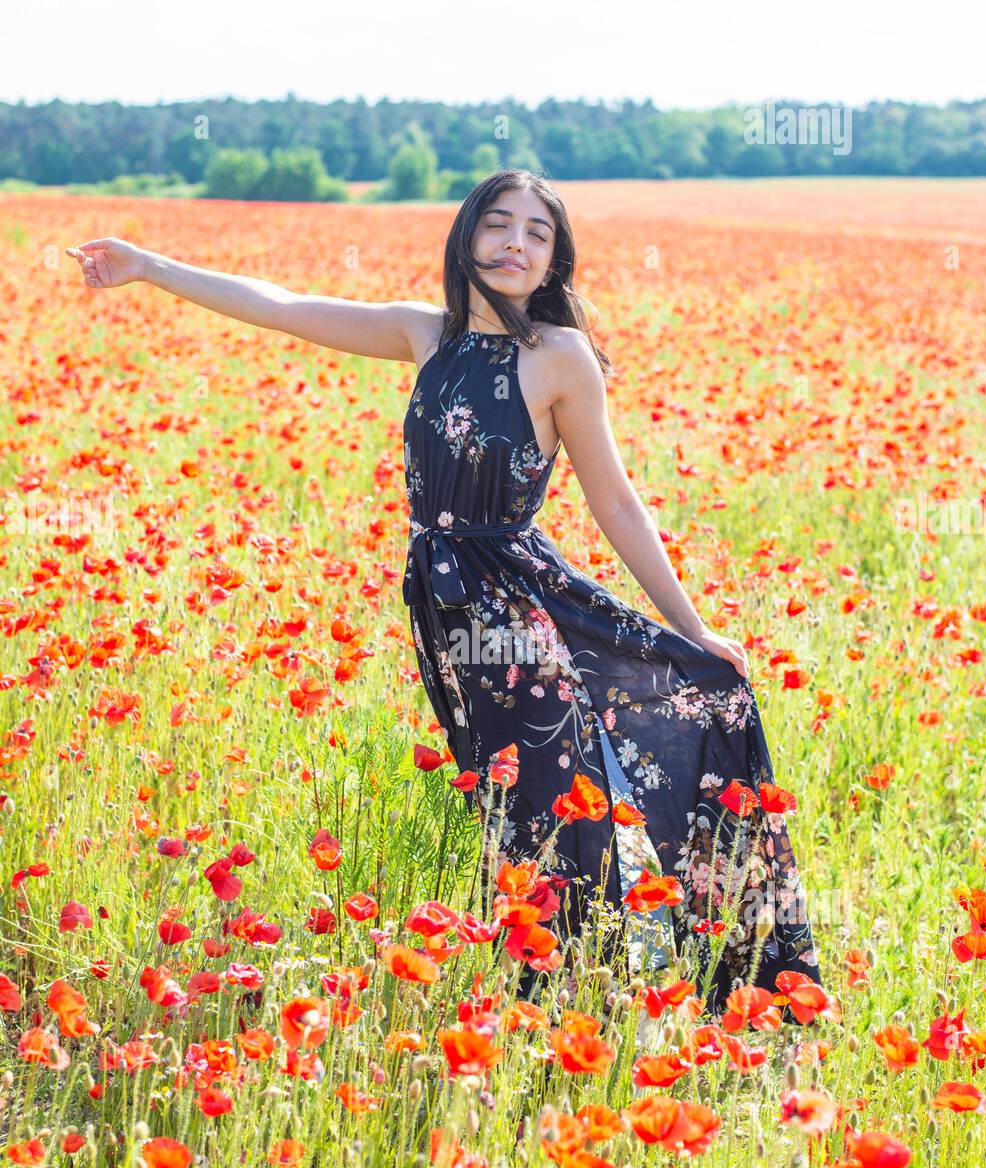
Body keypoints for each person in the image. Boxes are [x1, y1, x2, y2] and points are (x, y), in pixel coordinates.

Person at [65, 167, 822, 1017]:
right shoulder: (423, 335)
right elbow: (276, 303)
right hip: (444, 606)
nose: (514, 244)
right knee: (509, 808)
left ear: (551, 264)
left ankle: (601, 1003)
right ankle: (564, 998)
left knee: (545, 806)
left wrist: (691, 631)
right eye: (498, 225)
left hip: (514, 609)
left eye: (536, 235)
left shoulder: (558, 356)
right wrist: (149, 266)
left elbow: (613, 501)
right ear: (465, 238)